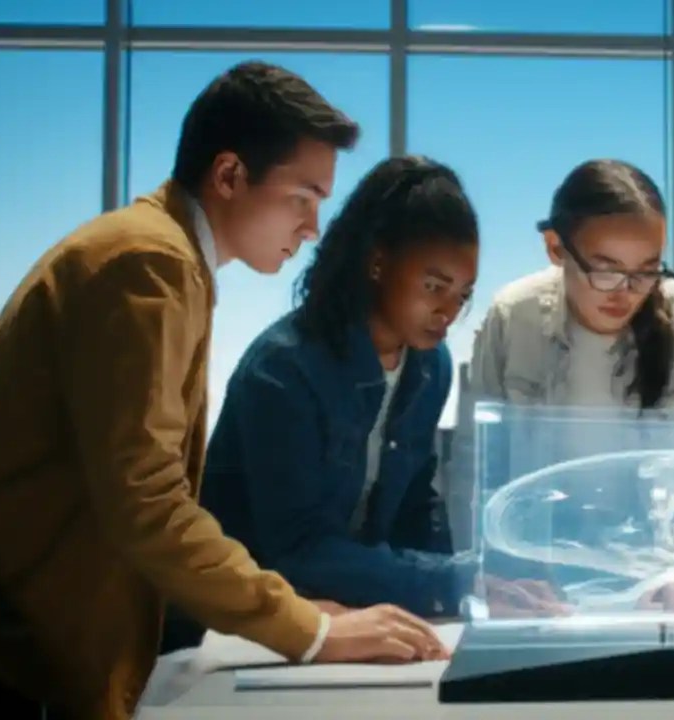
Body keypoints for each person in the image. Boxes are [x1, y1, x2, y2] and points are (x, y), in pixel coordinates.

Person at [0, 62, 445, 720]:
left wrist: (293, 615)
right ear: (229, 175)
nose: (314, 225)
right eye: (303, 197)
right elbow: (146, 502)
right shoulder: (148, 262)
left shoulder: (165, 256)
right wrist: (310, 631)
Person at [178, 154, 495, 630]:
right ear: (377, 263)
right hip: (249, 627)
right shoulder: (284, 369)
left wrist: (464, 604)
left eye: (463, 295)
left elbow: (415, 505)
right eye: (434, 286)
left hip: (356, 613)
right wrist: (450, 581)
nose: (449, 310)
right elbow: (298, 550)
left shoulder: (431, 365)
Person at [454, 159, 674, 613]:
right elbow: (474, 466)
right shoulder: (513, 318)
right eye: (604, 269)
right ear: (555, 248)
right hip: (537, 588)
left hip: (665, 587)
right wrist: (484, 577)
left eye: (645, 271)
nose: (625, 291)